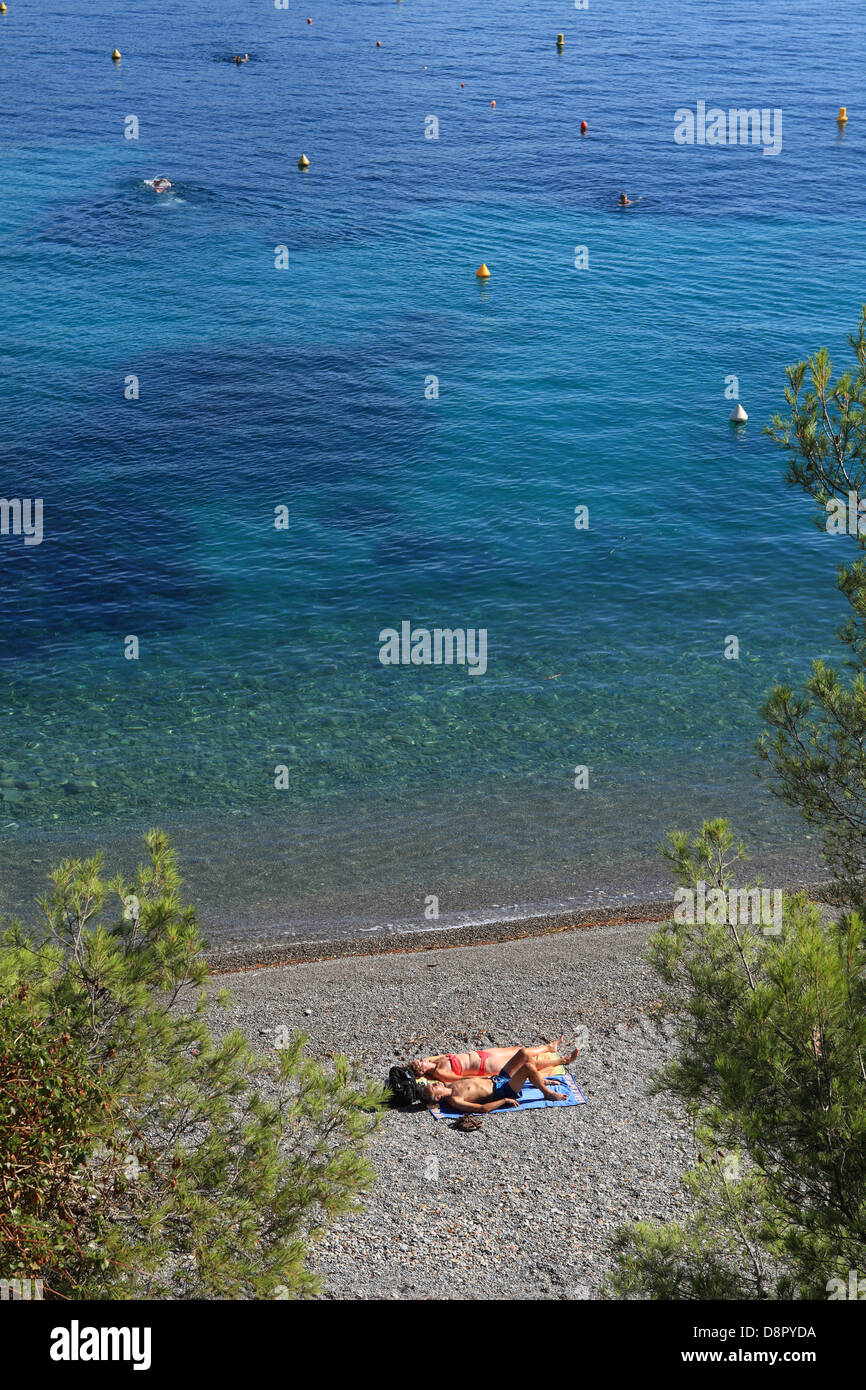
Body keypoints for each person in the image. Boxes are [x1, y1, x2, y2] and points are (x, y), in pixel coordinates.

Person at [416, 1045, 580, 1113]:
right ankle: (547, 1093)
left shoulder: (448, 1084)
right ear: (437, 1097)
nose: (435, 1083)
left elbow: (473, 1078)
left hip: (497, 1078)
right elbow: (483, 1109)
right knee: (528, 1068)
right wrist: (504, 1100)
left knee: (523, 1054)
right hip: (503, 1090)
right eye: (433, 1087)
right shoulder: (455, 1100)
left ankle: (559, 1063)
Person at [409, 1037, 565, 1082]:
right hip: (485, 1066)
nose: (422, 1059)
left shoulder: (435, 1061)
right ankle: (554, 1053)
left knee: (517, 1051)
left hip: (483, 1054)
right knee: (524, 1062)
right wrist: (487, 1079)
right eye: (420, 1062)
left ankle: (551, 1049)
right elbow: (461, 1078)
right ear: (422, 1070)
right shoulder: (440, 1072)